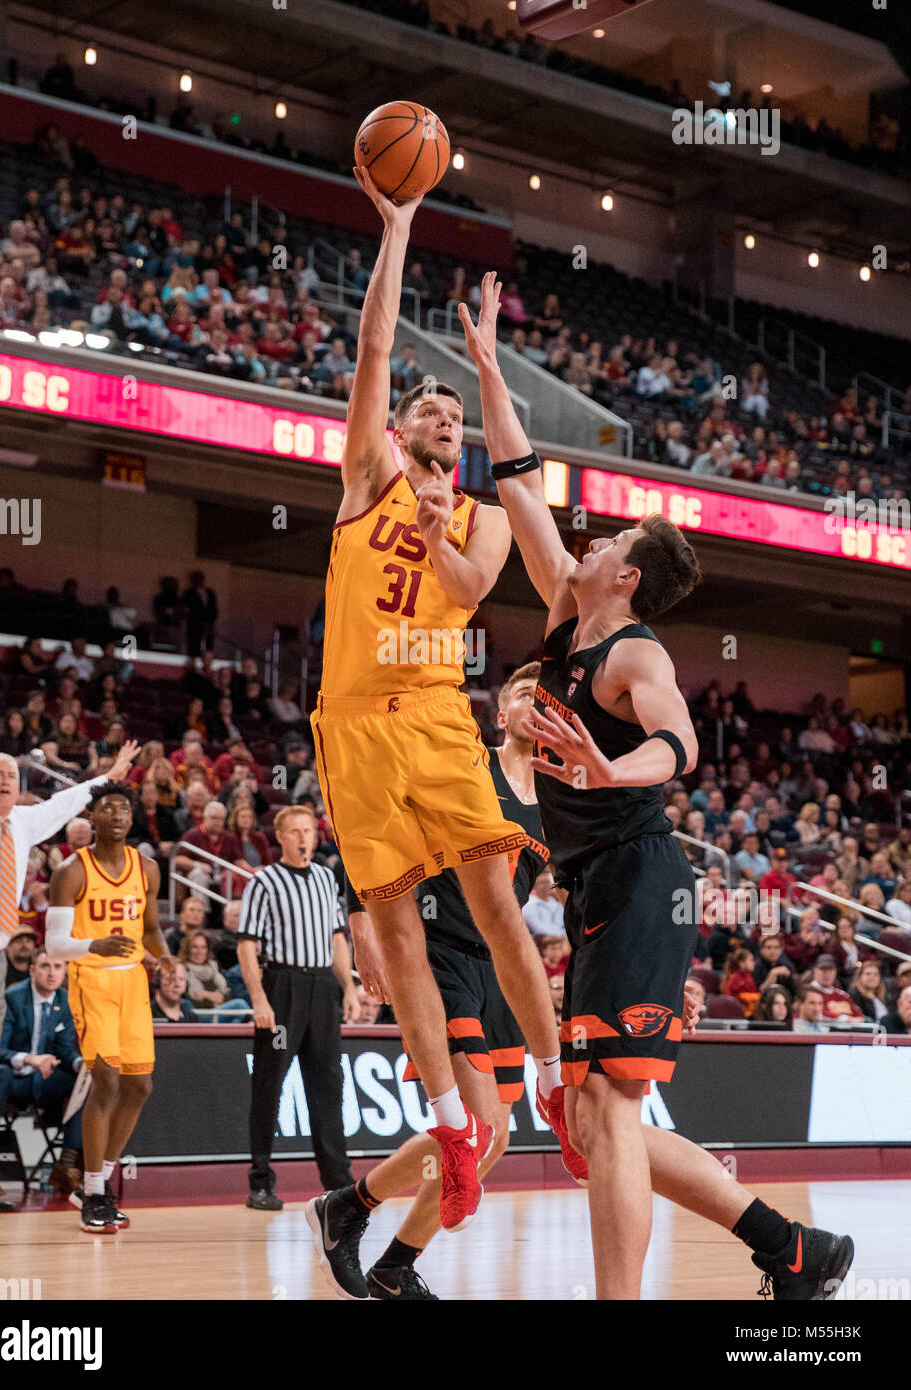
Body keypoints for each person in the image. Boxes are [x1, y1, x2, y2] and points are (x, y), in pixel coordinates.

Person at [458, 270, 853, 1302]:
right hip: (593, 888)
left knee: (613, 1116)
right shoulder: (561, 606)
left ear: (627, 575)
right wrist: (493, 372)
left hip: (641, 878)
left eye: (611, 543)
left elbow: (679, 744)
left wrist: (606, 764)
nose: (589, 541)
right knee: (595, 1122)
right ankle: (796, 1249)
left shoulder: (633, 657)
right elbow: (515, 474)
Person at [305, 166, 562, 1234]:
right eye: (428, 406)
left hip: (437, 715)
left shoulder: (485, 519)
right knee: (397, 931)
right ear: (400, 427)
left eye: (454, 413)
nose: (441, 416)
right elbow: (370, 351)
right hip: (354, 724)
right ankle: (451, 1127)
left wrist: (434, 513)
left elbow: (463, 594)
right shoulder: (365, 476)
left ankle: (553, 1076)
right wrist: (399, 226)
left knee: (498, 898)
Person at [308, 664, 553, 1301]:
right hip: (435, 950)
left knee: (493, 1137)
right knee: (470, 1126)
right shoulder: (469, 762)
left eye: (546, 698)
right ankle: (352, 1210)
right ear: (501, 715)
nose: (536, 704)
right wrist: (360, 916)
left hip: (493, 966)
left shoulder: (560, 798)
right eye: (525, 694)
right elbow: (372, 819)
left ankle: (385, 1250)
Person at [0, 686, 138, 1213]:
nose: (8, 778)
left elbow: (68, 800)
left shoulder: (26, 824)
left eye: (13, 773)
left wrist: (110, 777)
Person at [45, 781, 173, 1233]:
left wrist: (167, 957)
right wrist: (94, 943)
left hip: (134, 982)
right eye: (108, 808)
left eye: (124, 808)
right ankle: (94, 1190)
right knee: (107, 1079)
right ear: (92, 818)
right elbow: (54, 946)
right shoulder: (71, 871)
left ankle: (98, 1181)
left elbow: (153, 927)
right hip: (90, 980)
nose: (118, 815)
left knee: (140, 1087)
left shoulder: (149, 869)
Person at [236, 806, 359, 1213]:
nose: (304, 837)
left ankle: (339, 1182)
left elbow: (338, 937)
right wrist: (258, 999)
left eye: (309, 830)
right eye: (295, 831)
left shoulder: (326, 877)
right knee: (269, 1083)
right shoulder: (264, 882)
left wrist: (349, 987)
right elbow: (247, 944)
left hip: (322, 985)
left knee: (328, 1083)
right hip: (282, 984)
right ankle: (260, 1182)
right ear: (281, 837)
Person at [0, 948, 84, 1194]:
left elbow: (64, 1050)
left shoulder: (66, 1001)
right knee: (0, 1073)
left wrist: (80, 1064)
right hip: (14, 1080)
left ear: (65, 972)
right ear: (32, 971)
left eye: (58, 967)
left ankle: (66, 1163)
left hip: (45, 1079)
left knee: (84, 1081)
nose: (52, 973)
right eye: (45, 966)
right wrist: (30, 1059)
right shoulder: (13, 998)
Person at [522, 865, 567, 938]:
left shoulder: (555, 902)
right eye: (542, 883)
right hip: (543, 940)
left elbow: (562, 923)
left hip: (561, 938)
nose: (545, 886)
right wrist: (559, 936)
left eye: (547, 882)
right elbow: (537, 928)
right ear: (535, 886)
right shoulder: (530, 904)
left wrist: (563, 935)